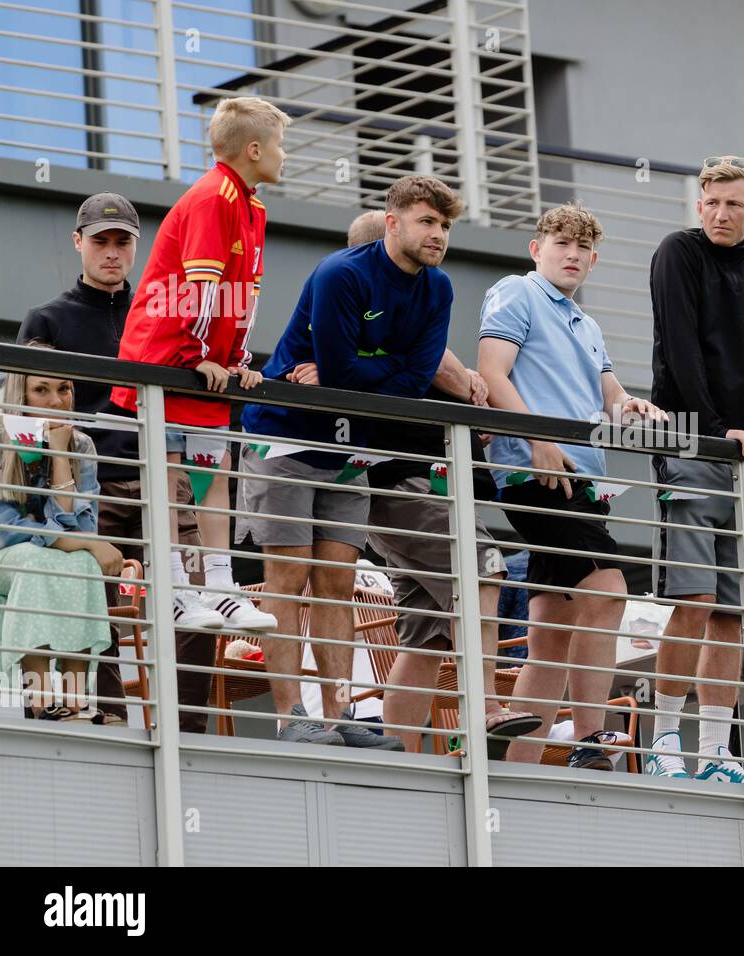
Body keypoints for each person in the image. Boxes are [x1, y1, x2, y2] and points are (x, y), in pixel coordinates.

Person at [236, 175, 466, 749]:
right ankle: (293, 717)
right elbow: (345, 373)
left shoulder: (438, 289)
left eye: (444, 225)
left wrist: (369, 371)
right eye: (426, 222)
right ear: (393, 223)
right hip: (286, 440)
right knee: (288, 582)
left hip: (352, 449)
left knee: (337, 581)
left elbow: (413, 383)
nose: (437, 235)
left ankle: (337, 716)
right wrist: (381, 369)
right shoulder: (342, 273)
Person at [325, 204, 542, 754]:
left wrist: (468, 390)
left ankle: (399, 752)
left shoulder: (392, 309)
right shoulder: (369, 304)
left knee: (427, 633)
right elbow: (434, 366)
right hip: (400, 485)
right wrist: (464, 379)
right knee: (484, 567)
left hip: (408, 487)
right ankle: (488, 708)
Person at [478, 201, 667, 770]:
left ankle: (516, 770)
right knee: (609, 588)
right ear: (537, 249)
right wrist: (536, 438)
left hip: (583, 481)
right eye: (562, 243)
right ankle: (592, 739)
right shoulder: (517, 291)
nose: (573, 254)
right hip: (536, 473)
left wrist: (630, 403)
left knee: (552, 632)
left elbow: (610, 395)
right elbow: (490, 371)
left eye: (583, 248)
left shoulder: (587, 323)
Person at [18, 193, 214, 730]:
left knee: (195, 603)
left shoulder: (164, 314)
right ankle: (107, 719)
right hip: (88, 489)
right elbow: (26, 411)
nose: (111, 253)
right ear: (77, 242)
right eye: (100, 241)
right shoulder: (47, 319)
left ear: (137, 246)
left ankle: (189, 728)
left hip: (163, 484)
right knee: (97, 609)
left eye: (122, 241)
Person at [109, 96, 289, 632]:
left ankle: (219, 585)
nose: (285, 156)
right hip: (168, 355)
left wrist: (235, 361)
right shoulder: (213, 196)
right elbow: (200, 288)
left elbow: (245, 295)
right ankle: (176, 588)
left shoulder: (252, 205)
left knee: (214, 475)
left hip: (205, 361)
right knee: (166, 476)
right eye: (280, 146)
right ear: (253, 149)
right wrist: (198, 356)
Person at [645, 155, 744, 784]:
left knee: (735, 610)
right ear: (698, 204)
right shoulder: (677, 253)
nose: (721, 213)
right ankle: (664, 743)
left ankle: (714, 752)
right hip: (690, 443)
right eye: (711, 202)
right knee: (694, 597)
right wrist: (714, 428)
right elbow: (678, 349)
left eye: (734, 204)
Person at [0, 347, 122, 720]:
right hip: (3, 553)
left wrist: (61, 453)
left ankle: (74, 700)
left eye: (63, 389)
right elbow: (7, 531)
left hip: (44, 554)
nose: (55, 401)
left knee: (80, 561)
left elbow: (78, 527)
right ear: (21, 393)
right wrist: (85, 541)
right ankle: (39, 699)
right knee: (43, 559)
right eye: (41, 390)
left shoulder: (81, 445)